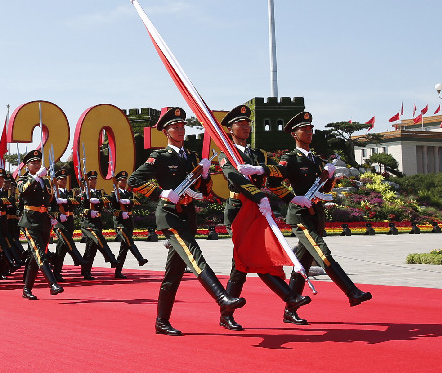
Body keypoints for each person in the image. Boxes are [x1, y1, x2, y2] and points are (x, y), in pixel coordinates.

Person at [128, 107, 245, 336]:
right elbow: (134, 180)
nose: (180, 130)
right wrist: (162, 193)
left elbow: (205, 191)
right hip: (170, 216)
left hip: (187, 216)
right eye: (175, 127)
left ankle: (161, 321)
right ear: (166, 131)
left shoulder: (191, 157)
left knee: (173, 275)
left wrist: (205, 175)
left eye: (182, 126)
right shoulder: (160, 157)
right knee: (194, 255)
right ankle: (222, 298)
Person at [217, 104, 311, 330]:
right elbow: (234, 177)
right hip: (239, 208)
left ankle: (227, 314)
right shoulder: (225, 153)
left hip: (258, 209)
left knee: (244, 262)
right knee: (248, 257)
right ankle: (288, 297)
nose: (245, 127)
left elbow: (275, 174)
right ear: (230, 129)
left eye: (247, 123)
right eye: (240, 123)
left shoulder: (258, 154)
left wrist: (286, 195)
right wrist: (259, 195)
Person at [280, 111, 372, 310]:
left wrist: (329, 177)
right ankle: (352, 292)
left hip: (316, 215)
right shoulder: (290, 158)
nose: (309, 132)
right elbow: (274, 182)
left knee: (302, 263)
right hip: (300, 217)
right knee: (322, 252)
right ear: (294, 134)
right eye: (304, 129)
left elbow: (325, 189)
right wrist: (293, 198)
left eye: (311, 129)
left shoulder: (315, 159)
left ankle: (290, 309)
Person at [17, 150, 64, 299]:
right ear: (27, 165)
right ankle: (53, 284)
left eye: (38, 162)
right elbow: (23, 191)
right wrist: (36, 177)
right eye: (33, 163)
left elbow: (52, 201)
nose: (37, 165)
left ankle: (26, 289)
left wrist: (53, 215)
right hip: (30, 221)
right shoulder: (23, 179)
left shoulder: (46, 181)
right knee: (40, 253)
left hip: (44, 221)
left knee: (35, 256)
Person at [78, 171, 118, 280]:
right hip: (87, 223)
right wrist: (88, 212)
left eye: (95, 179)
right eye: (91, 179)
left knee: (91, 248)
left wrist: (98, 200)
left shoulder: (99, 193)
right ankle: (110, 258)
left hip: (97, 222)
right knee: (98, 239)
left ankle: (86, 270)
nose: (94, 181)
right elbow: (78, 210)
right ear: (87, 182)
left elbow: (109, 199)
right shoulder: (83, 194)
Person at [108, 171, 148, 279]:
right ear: (117, 182)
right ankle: (140, 258)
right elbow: (112, 209)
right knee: (129, 241)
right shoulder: (114, 194)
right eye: (122, 180)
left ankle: (118, 271)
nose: (124, 182)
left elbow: (134, 202)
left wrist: (128, 202)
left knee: (124, 249)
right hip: (120, 223)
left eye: (125, 180)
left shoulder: (129, 194)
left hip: (129, 222)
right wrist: (121, 213)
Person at [51, 169, 84, 282]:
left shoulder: (69, 193)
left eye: (65, 179)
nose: (64, 181)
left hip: (69, 221)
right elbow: (50, 208)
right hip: (60, 223)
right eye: (61, 179)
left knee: (62, 249)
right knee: (68, 243)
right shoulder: (53, 193)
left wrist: (65, 201)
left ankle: (56, 271)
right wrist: (58, 215)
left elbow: (76, 202)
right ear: (57, 181)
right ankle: (78, 259)